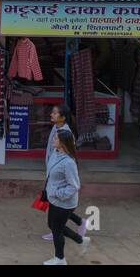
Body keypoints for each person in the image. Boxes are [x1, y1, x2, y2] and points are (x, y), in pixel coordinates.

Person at [42, 106, 87, 242]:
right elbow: (51, 151)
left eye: (55, 113)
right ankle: (57, 229)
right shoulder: (56, 128)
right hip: (52, 170)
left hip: (59, 174)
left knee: (58, 208)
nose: (52, 114)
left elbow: (69, 154)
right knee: (53, 205)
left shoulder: (65, 133)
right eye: (53, 112)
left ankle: (74, 226)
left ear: (63, 117)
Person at [44, 130, 89, 265]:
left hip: (64, 203)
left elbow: (74, 186)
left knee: (56, 230)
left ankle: (60, 259)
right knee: (52, 225)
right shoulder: (55, 154)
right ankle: (81, 240)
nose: (53, 140)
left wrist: (57, 193)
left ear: (63, 143)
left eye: (56, 138)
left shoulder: (69, 163)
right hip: (54, 199)